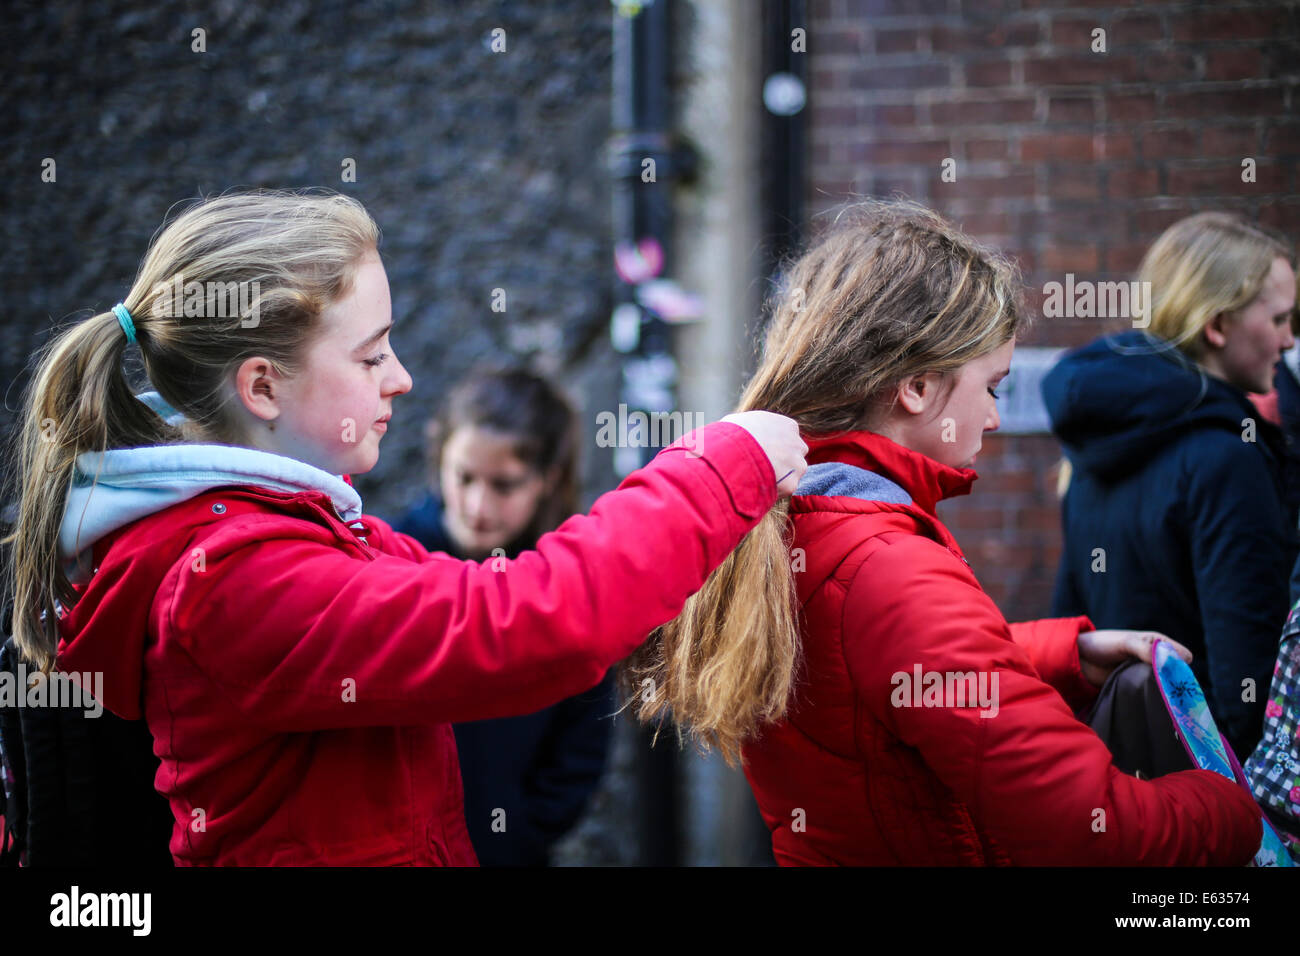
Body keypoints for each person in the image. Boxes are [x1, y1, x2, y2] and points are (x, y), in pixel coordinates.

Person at [0, 188, 807, 866]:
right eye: (371, 355)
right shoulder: (234, 579)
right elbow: (525, 621)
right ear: (262, 386)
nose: (402, 379)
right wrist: (725, 463)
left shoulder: (278, 534)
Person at [623, 201, 1264, 865]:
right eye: (992, 386)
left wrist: (1061, 653)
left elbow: (872, 666)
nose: (992, 416)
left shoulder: (799, 518)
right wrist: (1235, 807)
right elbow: (1091, 826)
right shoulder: (891, 567)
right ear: (919, 388)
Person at [1043, 212, 1298, 760]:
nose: (1289, 338)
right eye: (1280, 317)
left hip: (1120, 776)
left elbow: (1070, 626)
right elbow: (1246, 682)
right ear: (1218, 326)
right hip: (1212, 796)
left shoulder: (1094, 452)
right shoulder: (1229, 458)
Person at [393, 367, 613, 866]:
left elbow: (585, 732)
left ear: (546, 479)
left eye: (504, 484)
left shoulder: (566, 581)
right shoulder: (393, 561)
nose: (477, 504)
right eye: (464, 477)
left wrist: (526, 829)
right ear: (440, 456)